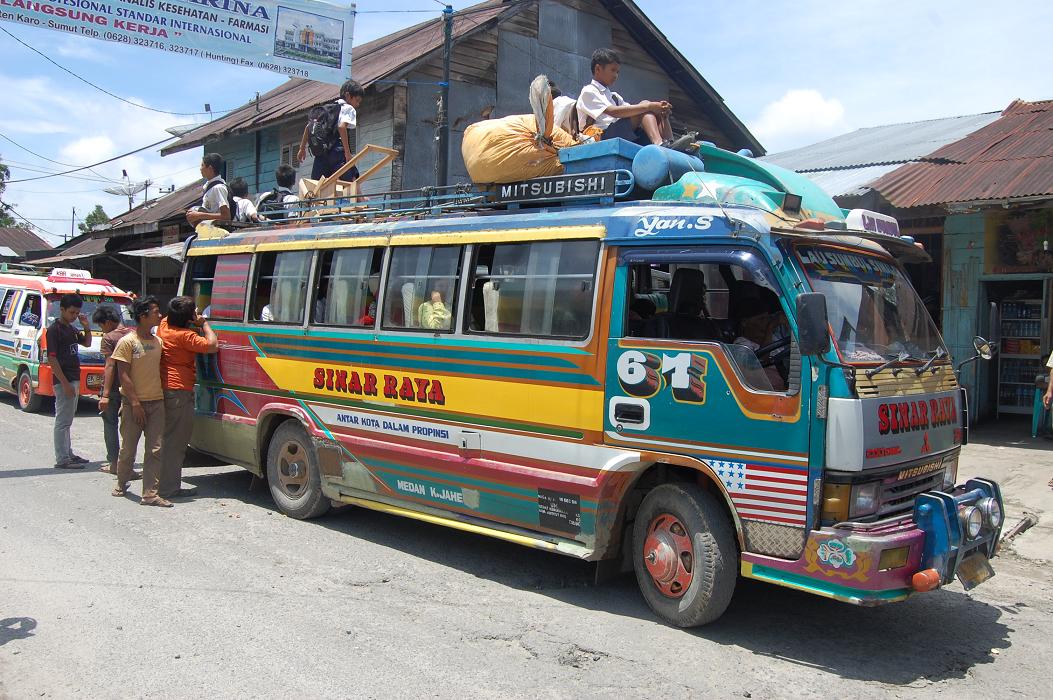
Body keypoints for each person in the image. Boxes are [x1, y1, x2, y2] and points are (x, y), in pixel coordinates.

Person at [157, 296, 219, 499]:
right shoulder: (184, 336)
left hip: (164, 387)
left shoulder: (164, 325)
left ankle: (160, 483)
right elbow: (212, 345)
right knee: (176, 442)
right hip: (179, 390)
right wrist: (204, 323)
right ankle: (168, 488)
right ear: (189, 317)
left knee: (166, 439)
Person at [111, 296, 169, 507]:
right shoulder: (127, 342)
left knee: (155, 449)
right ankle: (121, 481)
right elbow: (123, 376)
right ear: (143, 316)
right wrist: (135, 403)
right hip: (133, 404)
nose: (159, 315)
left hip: (157, 403)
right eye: (155, 312)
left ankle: (150, 494)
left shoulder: (158, 342)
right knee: (128, 448)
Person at [576, 48, 676, 148]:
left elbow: (633, 110)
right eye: (613, 70)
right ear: (598, 69)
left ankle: (670, 144)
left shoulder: (614, 96)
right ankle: (658, 143)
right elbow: (613, 111)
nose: (615, 75)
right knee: (645, 106)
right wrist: (649, 105)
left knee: (652, 110)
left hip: (618, 132)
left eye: (617, 72)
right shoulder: (589, 91)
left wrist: (661, 112)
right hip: (601, 136)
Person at [47, 293, 92, 469]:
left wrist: (86, 326)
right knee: (62, 421)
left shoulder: (71, 329)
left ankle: (68, 453)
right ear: (62, 310)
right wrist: (64, 383)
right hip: (64, 380)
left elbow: (87, 343)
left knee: (68, 420)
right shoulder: (54, 330)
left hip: (73, 377)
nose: (74, 316)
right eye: (72, 312)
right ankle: (62, 458)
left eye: (77, 313)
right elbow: (52, 359)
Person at [93, 304, 137, 477]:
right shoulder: (133, 335)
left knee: (110, 424)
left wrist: (104, 394)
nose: (102, 330)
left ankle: (114, 463)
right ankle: (128, 465)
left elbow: (110, 365)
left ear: (108, 322)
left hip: (113, 389)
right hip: (131, 387)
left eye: (101, 326)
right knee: (130, 428)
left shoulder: (109, 338)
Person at [297, 79, 364, 181]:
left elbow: (308, 127)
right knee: (351, 178)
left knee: (318, 185)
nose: (358, 104)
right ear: (348, 95)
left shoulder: (327, 108)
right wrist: (347, 153)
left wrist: (302, 149)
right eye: (357, 100)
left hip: (321, 153)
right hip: (337, 152)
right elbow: (341, 127)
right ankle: (360, 197)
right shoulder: (348, 108)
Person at [186, 153, 231, 226]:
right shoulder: (207, 187)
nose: (200, 168)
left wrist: (199, 215)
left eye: (202, 165)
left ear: (210, 168)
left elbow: (226, 217)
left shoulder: (218, 188)